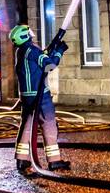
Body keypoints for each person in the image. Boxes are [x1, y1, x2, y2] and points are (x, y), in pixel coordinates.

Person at [10, 25, 69, 173]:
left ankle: (22, 160)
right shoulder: (33, 50)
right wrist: (60, 52)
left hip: (27, 96)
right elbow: (49, 65)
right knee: (49, 125)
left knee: (27, 126)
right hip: (40, 95)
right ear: (24, 36)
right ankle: (54, 161)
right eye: (28, 33)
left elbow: (42, 58)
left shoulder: (21, 51)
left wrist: (53, 48)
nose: (31, 34)